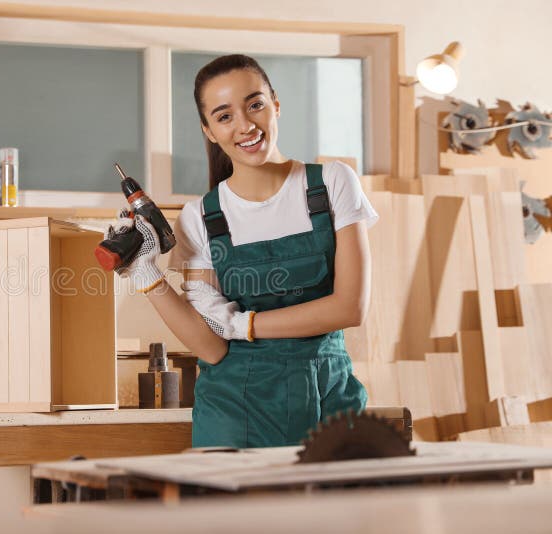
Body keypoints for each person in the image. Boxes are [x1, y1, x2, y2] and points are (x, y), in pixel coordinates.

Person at [106, 54, 377, 448]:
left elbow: (350, 307)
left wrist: (243, 325)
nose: (246, 125)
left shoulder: (331, 184)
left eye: (255, 104)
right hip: (235, 411)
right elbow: (211, 348)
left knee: (338, 509)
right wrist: (146, 274)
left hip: (329, 400)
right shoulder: (201, 216)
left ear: (276, 104)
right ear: (209, 131)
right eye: (224, 116)